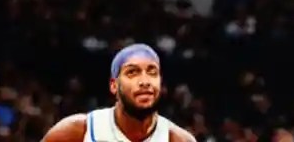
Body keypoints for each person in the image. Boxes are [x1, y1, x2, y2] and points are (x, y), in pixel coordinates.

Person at [41, 44, 195, 142]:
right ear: (114, 85)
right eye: (132, 72)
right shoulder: (76, 132)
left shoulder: (178, 139)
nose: (145, 81)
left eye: (152, 72)